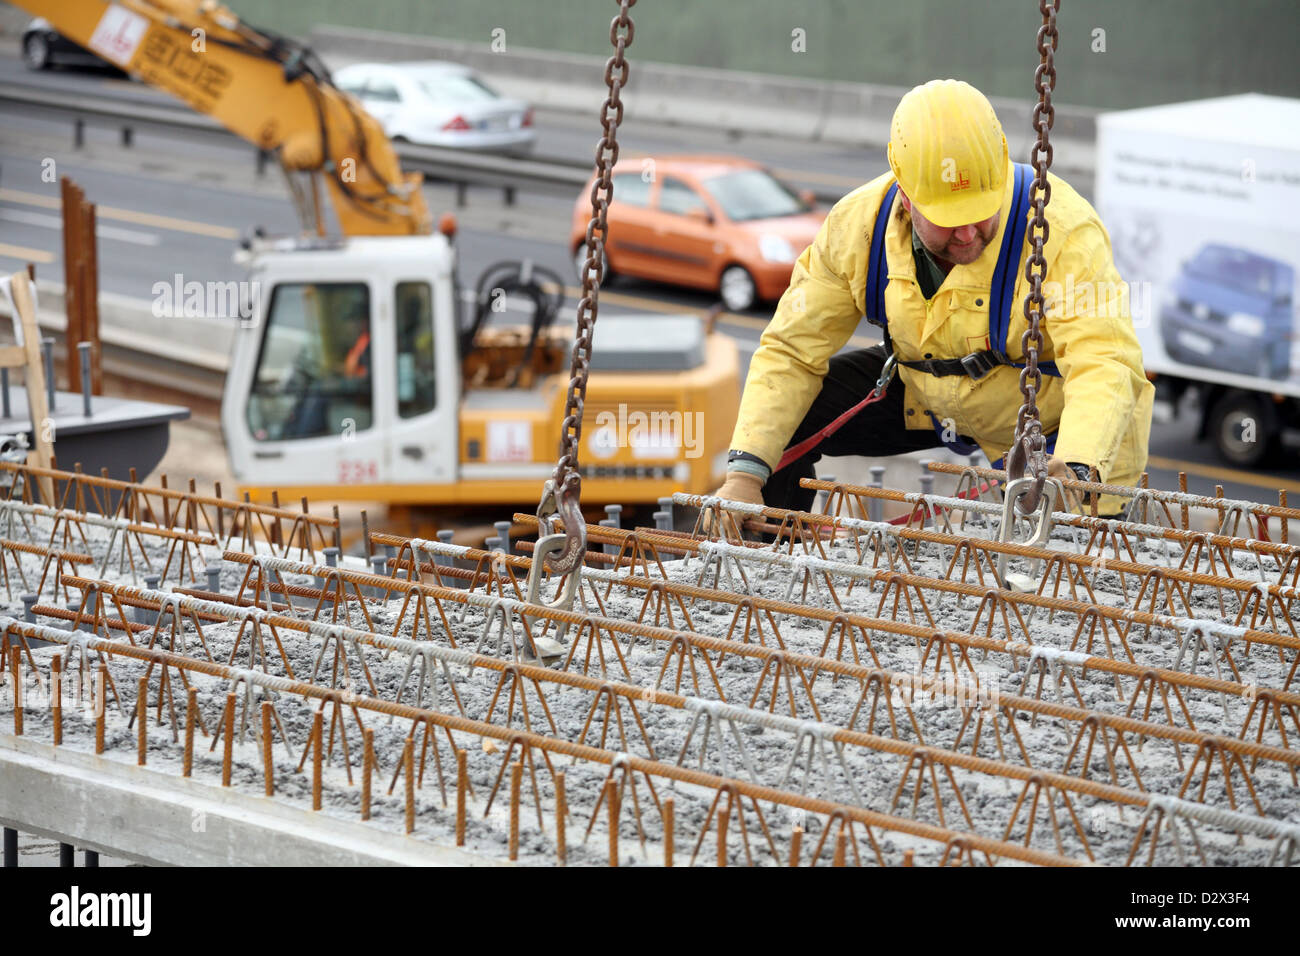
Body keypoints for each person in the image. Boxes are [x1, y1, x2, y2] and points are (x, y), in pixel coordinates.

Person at [715, 79, 1153, 519]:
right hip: (929, 394)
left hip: (1055, 426)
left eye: (980, 214)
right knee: (788, 422)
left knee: (1065, 566)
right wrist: (744, 475)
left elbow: (1104, 360)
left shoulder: (1062, 230)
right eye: (947, 220)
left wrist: (1076, 466)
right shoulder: (857, 228)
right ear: (906, 196)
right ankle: (765, 557)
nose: (967, 233)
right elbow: (792, 350)